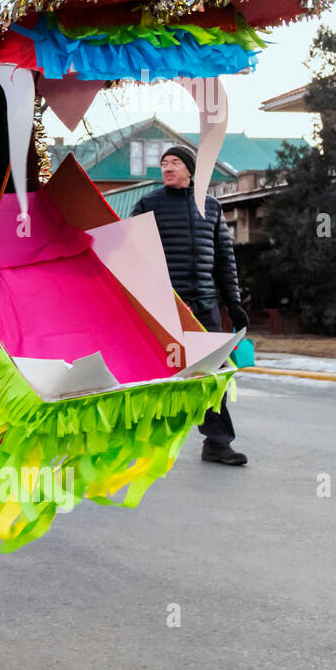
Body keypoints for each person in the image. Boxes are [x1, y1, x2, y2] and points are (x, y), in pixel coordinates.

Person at [132, 144, 248, 465]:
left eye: (175, 163)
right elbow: (129, 251)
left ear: (190, 170)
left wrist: (233, 301)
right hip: (166, 305)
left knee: (212, 376)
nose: (168, 168)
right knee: (154, 373)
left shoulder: (211, 207)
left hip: (206, 305)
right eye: (164, 164)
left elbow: (225, 258)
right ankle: (140, 440)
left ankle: (217, 442)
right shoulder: (147, 205)